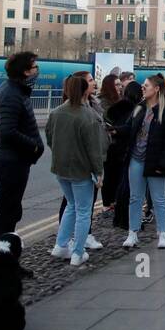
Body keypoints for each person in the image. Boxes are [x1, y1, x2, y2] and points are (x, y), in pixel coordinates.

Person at [47, 73, 107, 266]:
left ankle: (61, 245)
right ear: (83, 91)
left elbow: (50, 139)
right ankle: (78, 253)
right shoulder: (88, 116)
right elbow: (94, 149)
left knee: (71, 206)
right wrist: (98, 172)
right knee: (83, 211)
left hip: (60, 168)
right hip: (81, 171)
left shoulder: (56, 112)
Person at [0, 52, 44, 239]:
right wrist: (34, 146)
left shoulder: (14, 90)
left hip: (14, 160)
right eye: (35, 67)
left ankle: (5, 257)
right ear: (26, 72)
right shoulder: (12, 94)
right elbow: (6, 131)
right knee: (7, 212)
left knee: (11, 211)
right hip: (11, 162)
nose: (38, 70)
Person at [122, 74, 165, 249]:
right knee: (135, 198)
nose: (143, 87)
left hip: (156, 162)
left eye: (146, 85)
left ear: (156, 89)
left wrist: (164, 165)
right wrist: (115, 131)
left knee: (158, 199)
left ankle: (163, 233)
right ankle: (132, 233)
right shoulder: (139, 107)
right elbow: (129, 128)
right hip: (136, 160)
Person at [104, 80, 143, 222]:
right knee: (125, 184)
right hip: (126, 149)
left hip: (113, 148)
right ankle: (122, 214)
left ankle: (110, 205)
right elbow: (130, 129)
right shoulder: (135, 109)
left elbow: (111, 126)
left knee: (113, 179)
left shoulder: (115, 108)